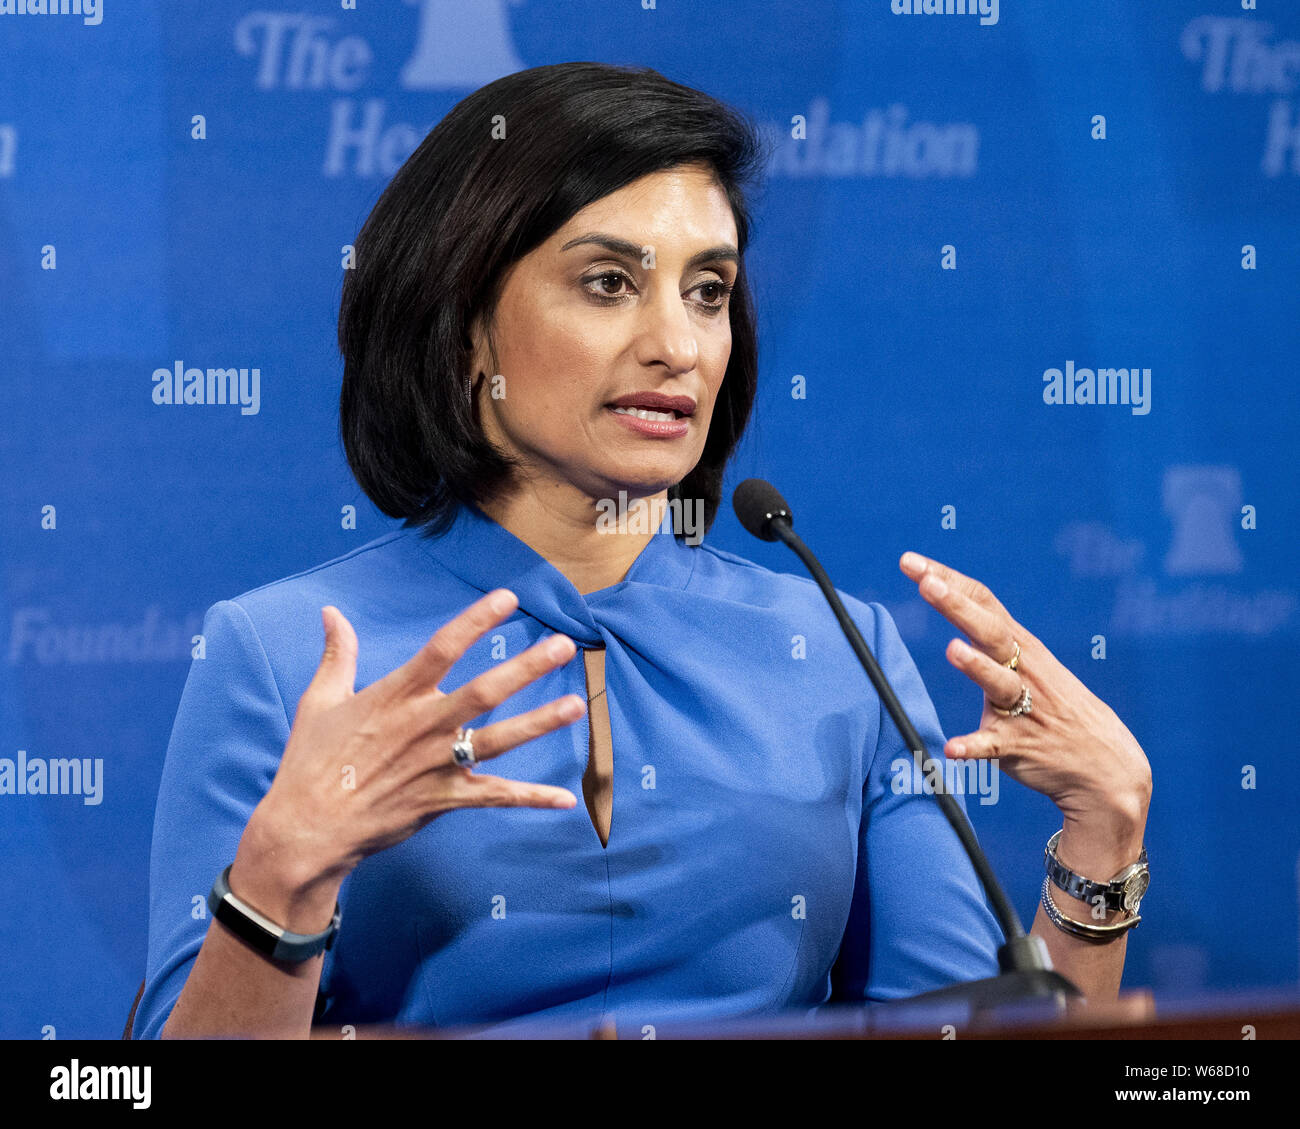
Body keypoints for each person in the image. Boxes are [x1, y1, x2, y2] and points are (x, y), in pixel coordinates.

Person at [133, 62, 1152, 1040]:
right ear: (463, 330)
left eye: (707, 290)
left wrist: (1101, 837)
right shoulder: (283, 656)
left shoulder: (839, 648)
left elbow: (961, 1034)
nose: (678, 343)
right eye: (610, 282)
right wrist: (277, 880)